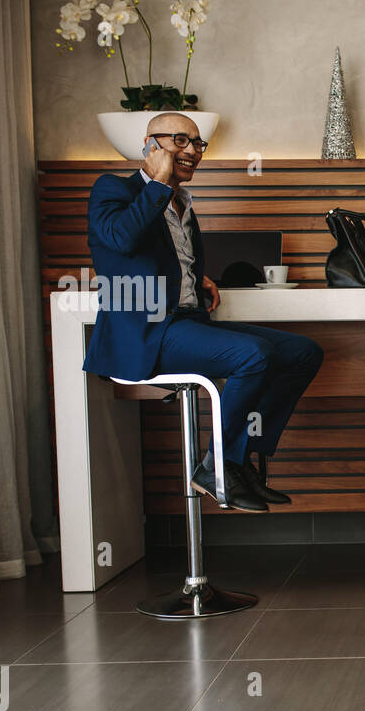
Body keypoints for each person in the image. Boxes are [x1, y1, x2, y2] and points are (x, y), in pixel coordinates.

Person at [83, 112, 323, 512]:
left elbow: (161, 256)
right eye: (180, 140)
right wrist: (157, 183)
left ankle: (241, 460)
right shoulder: (113, 189)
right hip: (146, 334)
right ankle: (219, 466)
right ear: (150, 144)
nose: (193, 151)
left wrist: (196, 277)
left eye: (197, 144)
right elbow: (121, 241)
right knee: (253, 354)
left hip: (186, 323)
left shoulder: (183, 204)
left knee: (303, 352)